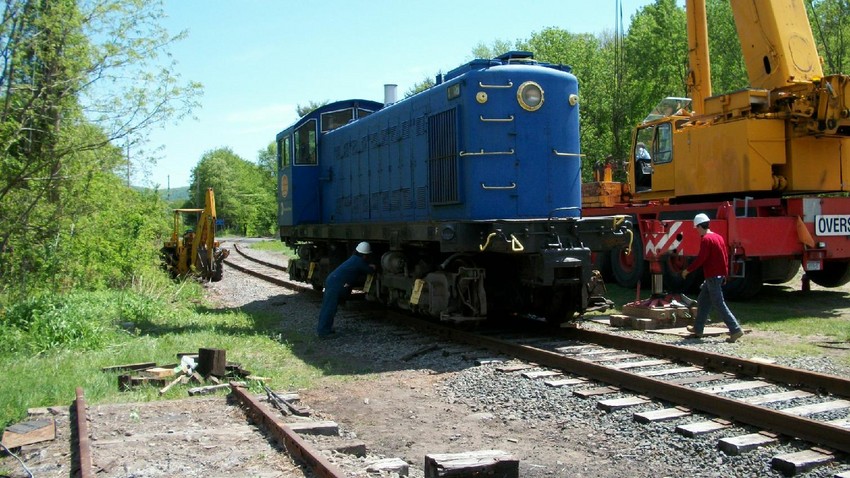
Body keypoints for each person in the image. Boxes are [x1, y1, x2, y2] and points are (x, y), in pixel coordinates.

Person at [681, 213, 744, 343]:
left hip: (713, 277)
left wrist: (688, 270)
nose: (697, 230)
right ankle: (698, 329)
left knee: (718, 303)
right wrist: (725, 274)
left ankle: (735, 329)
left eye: (696, 228)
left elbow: (701, 259)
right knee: (703, 300)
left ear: (699, 226)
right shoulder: (718, 237)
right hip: (717, 276)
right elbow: (725, 256)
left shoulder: (706, 240)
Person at [317, 241, 376, 337]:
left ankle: (325, 329)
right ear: (365, 255)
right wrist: (373, 267)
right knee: (329, 308)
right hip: (335, 284)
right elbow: (370, 270)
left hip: (333, 281)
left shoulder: (354, 259)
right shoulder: (359, 261)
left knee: (328, 307)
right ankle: (323, 332)